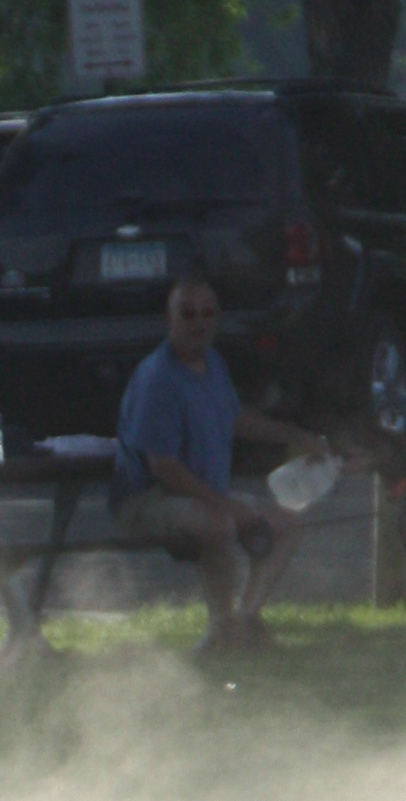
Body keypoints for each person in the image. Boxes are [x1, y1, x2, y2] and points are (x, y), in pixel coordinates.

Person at [111, 276, 328, 651]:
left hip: (204, 495)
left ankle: (244, 622)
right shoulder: (157, 378)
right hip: (145, 500)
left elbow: (237, 420)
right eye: (189, 314)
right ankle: (219, 627)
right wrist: (228, 506)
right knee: (220, 522)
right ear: (170, 318)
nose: (200, 323)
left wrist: (298, 437)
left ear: (217, 317)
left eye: (208, 314)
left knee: (288, 525)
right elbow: (163, 467)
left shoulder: (213, 363)